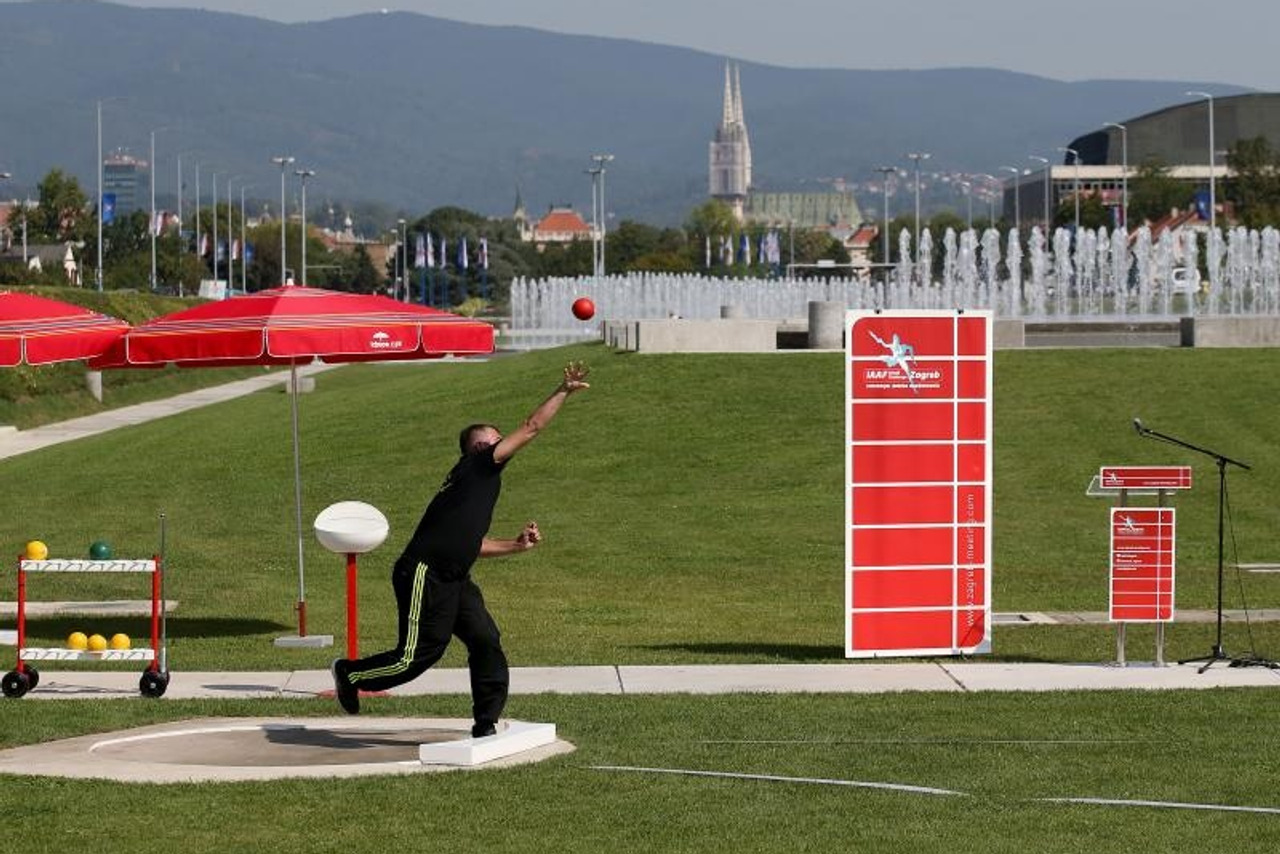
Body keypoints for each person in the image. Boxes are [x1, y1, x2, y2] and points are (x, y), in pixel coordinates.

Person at [330, 361, 590, 737]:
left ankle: (486, 723)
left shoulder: (475, 485)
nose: (504, 445)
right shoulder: (477, 466)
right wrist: (563, 390)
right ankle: (351, 673)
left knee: (486, 640)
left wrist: (516, 546)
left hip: (455, 577)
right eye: (497, 440)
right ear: (482, 447)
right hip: (425, 573)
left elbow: (471, 545)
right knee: (417, 656)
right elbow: (532, 427)